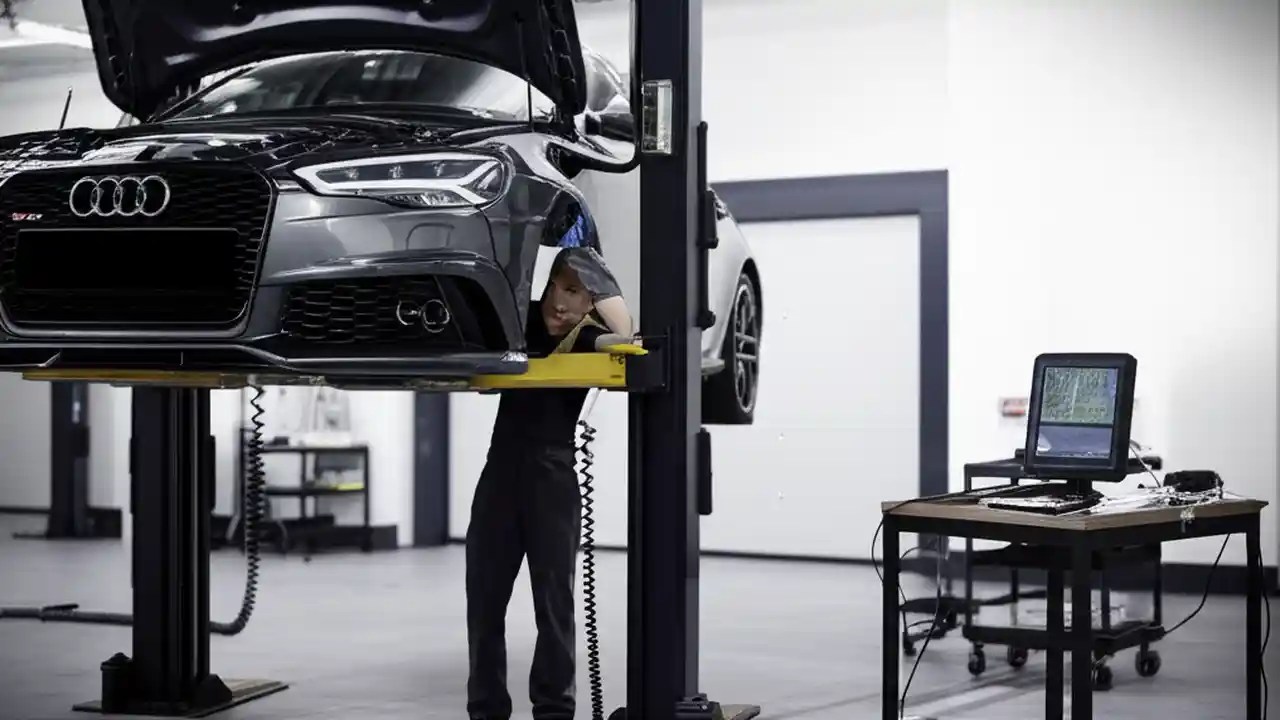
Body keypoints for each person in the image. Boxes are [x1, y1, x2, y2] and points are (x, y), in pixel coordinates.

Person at [466, 247, 636, 720]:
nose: (561, 302)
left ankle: (555, 711)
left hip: (552, 478)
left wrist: (601, 287)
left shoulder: (587, 339)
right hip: (499, 475)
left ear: (591, 303)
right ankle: (485, 710)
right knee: (483, 602)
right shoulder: (519, 324)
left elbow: (622, 336)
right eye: (558, 286)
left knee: (554, 605)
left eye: (577, 292)